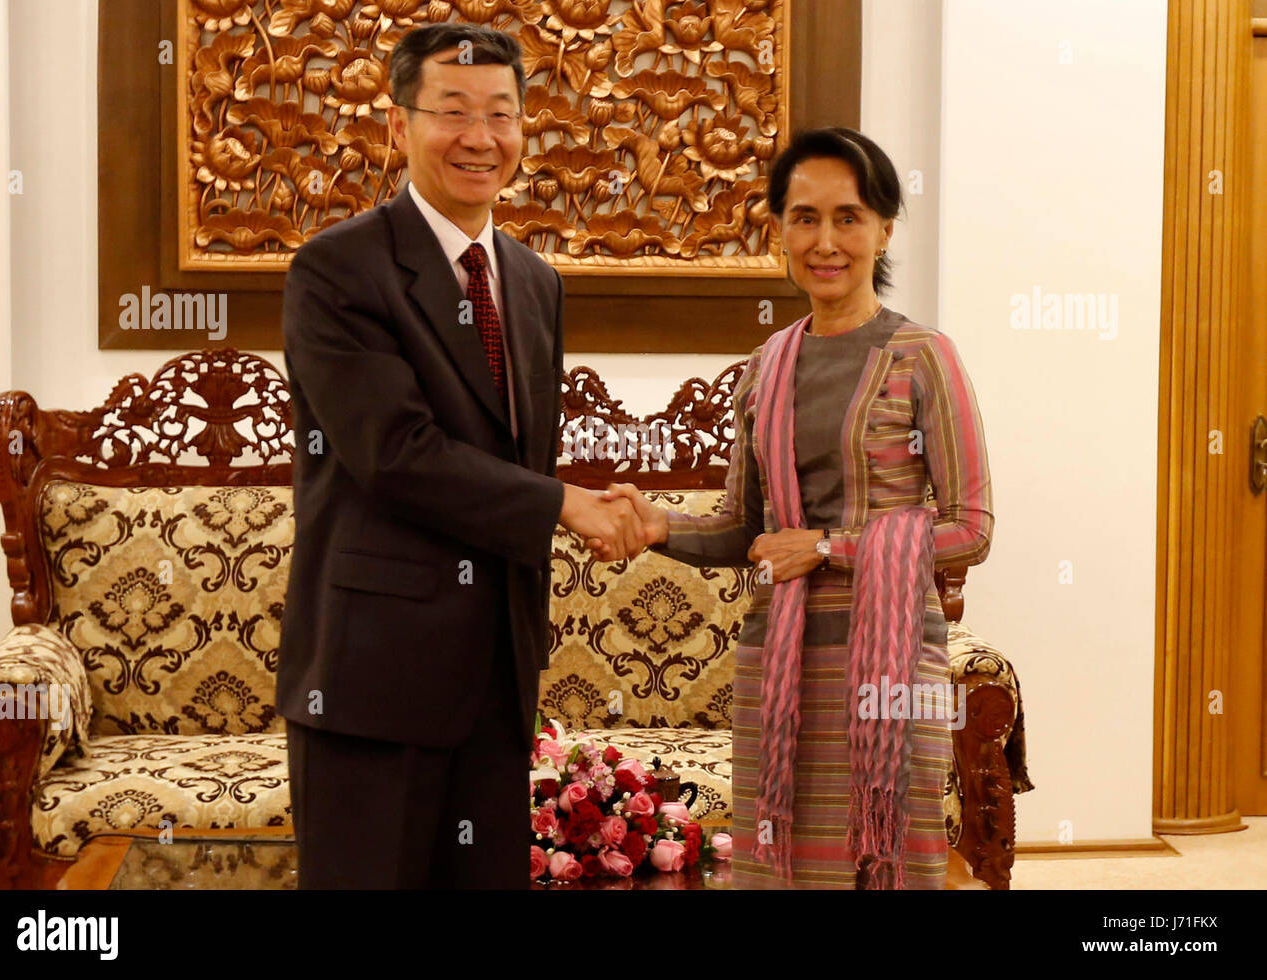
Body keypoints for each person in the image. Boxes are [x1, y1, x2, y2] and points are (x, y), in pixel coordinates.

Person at [276, 23, 647, 889]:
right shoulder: (336, 271)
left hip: (497, 672)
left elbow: (509, 447)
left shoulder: (532, 280)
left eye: (502, 114)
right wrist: (565, 504)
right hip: (372, 677)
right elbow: (395, 453)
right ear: (399, 125)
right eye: (452, 111)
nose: (480, 137)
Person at [603, 127, 994, 889]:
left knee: (881, 864)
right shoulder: (766, 365)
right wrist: (659, 526)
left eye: (848, 217)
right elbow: (745, 531)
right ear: (778, 227)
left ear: (883, 228)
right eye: (804, 216)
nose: (826, 240)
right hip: (780, 660)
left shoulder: (922, 358)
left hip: (889, 662)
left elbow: (971, 529)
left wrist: (826, 548)